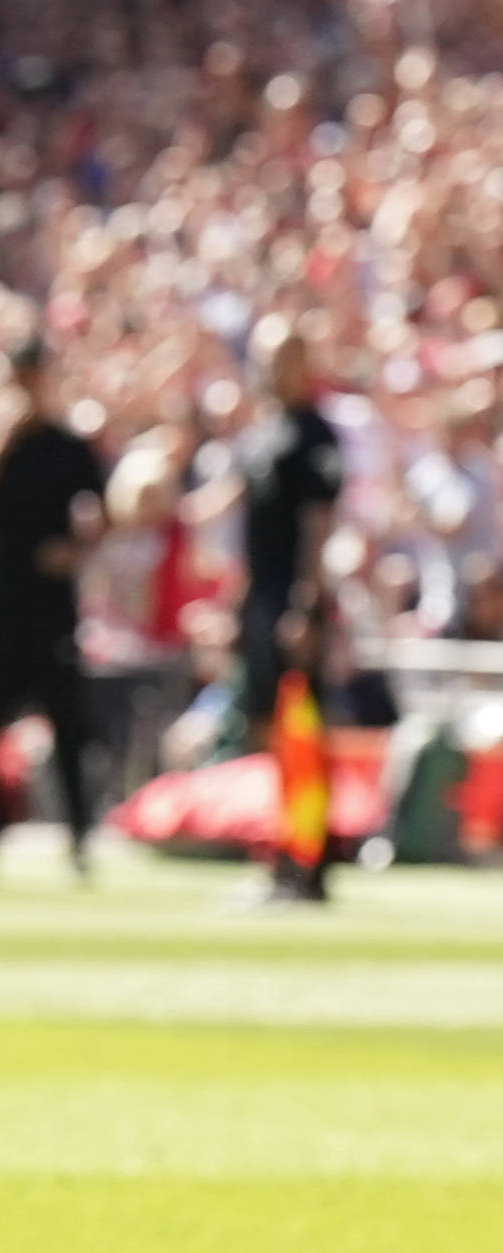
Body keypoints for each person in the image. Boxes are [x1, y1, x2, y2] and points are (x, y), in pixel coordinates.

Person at [0, 338, 107, 880]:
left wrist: (77, 552)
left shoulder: (70, 447)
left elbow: (103, 516)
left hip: (51, 608)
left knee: (68, 723)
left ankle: (80, 839)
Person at [233, 317, 344, 900]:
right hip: (261, 597)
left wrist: (305, 602)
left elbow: (317, 523)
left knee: (301, 732)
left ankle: (308, 862)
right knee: (270, 733)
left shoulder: (314, 434)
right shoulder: (264, 431)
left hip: (292, 601)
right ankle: (280, 855)